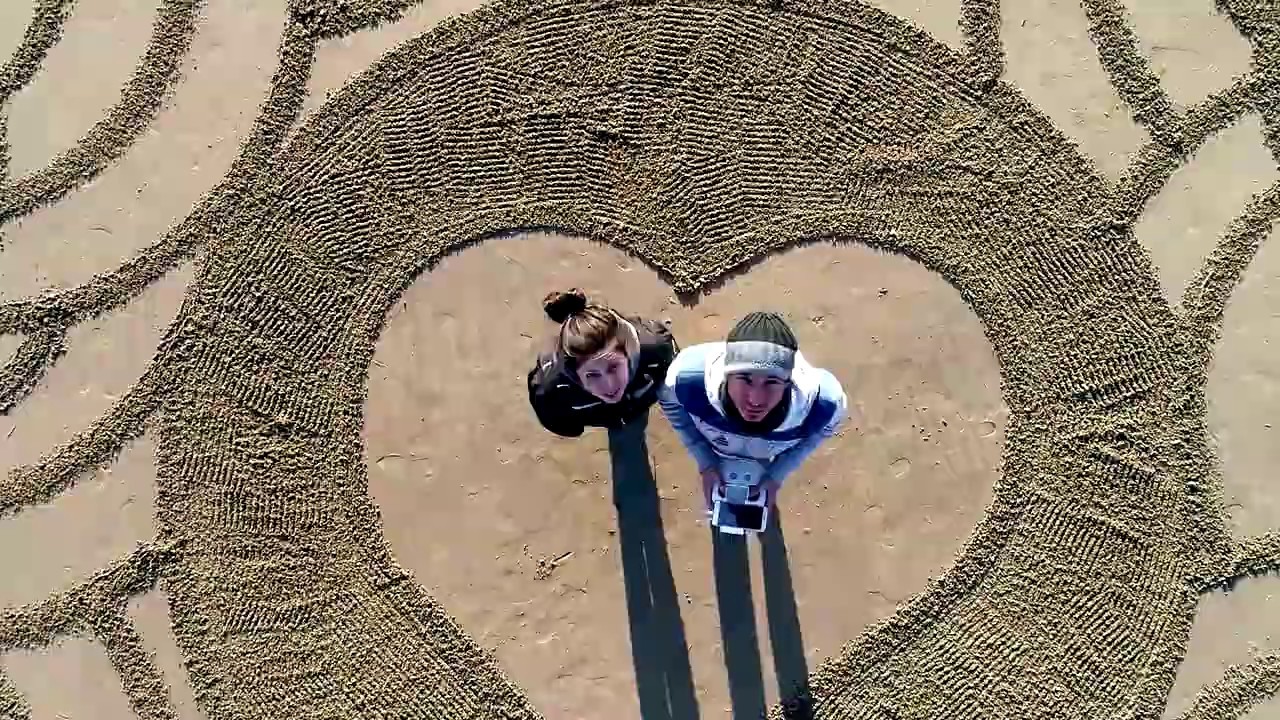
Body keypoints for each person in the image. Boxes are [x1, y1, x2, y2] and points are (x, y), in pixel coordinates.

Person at [658, 311, 846, 511]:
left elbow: (821, 432)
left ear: (788, 383)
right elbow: (670, 403)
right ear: (726, 374)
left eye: (771, 382)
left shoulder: (823, 404)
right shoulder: (686, 381)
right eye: (745, 379)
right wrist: (706, 461)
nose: (756, 399)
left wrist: (776, 475)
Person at [527, 289, 678, 437]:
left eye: (613, 367)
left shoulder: (658, 347)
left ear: (628, 352)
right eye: (592, 374)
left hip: (637, 405)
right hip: (607, 417)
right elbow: (556, 421)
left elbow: (676, 377)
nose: (609, 385)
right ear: (575, 373)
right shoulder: (550, 390)